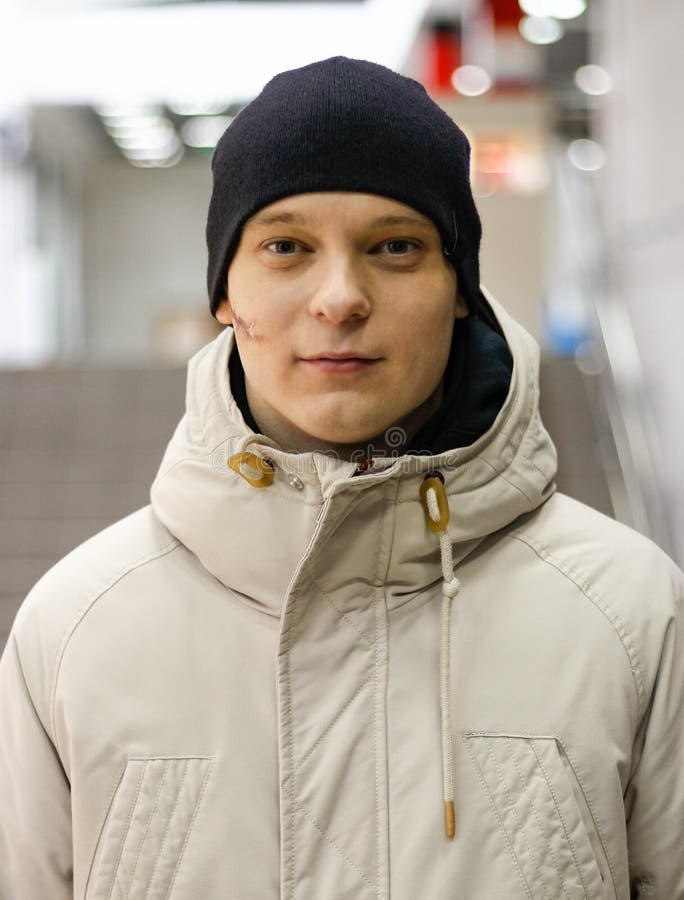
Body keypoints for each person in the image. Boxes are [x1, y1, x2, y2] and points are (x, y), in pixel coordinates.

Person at [0, 55, 682, 900]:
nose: (339, 297)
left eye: (394, 247)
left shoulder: (631, 615)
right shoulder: (77, 628)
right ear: (224, 291)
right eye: (285, 247)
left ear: (459, 286)